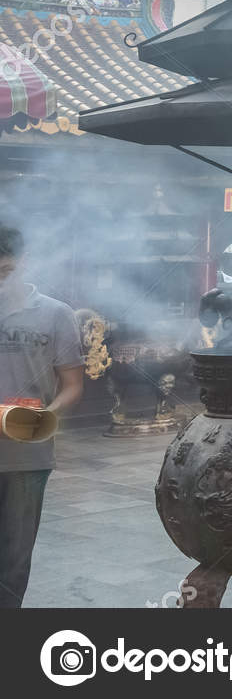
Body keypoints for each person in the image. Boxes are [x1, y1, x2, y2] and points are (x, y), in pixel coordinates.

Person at [0, 225, 84, 609]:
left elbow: (72, 384)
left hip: (27, 454)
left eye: (6, 270)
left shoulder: (55, 314)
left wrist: (45, 416)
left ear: (25, 262)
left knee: (15, 556)